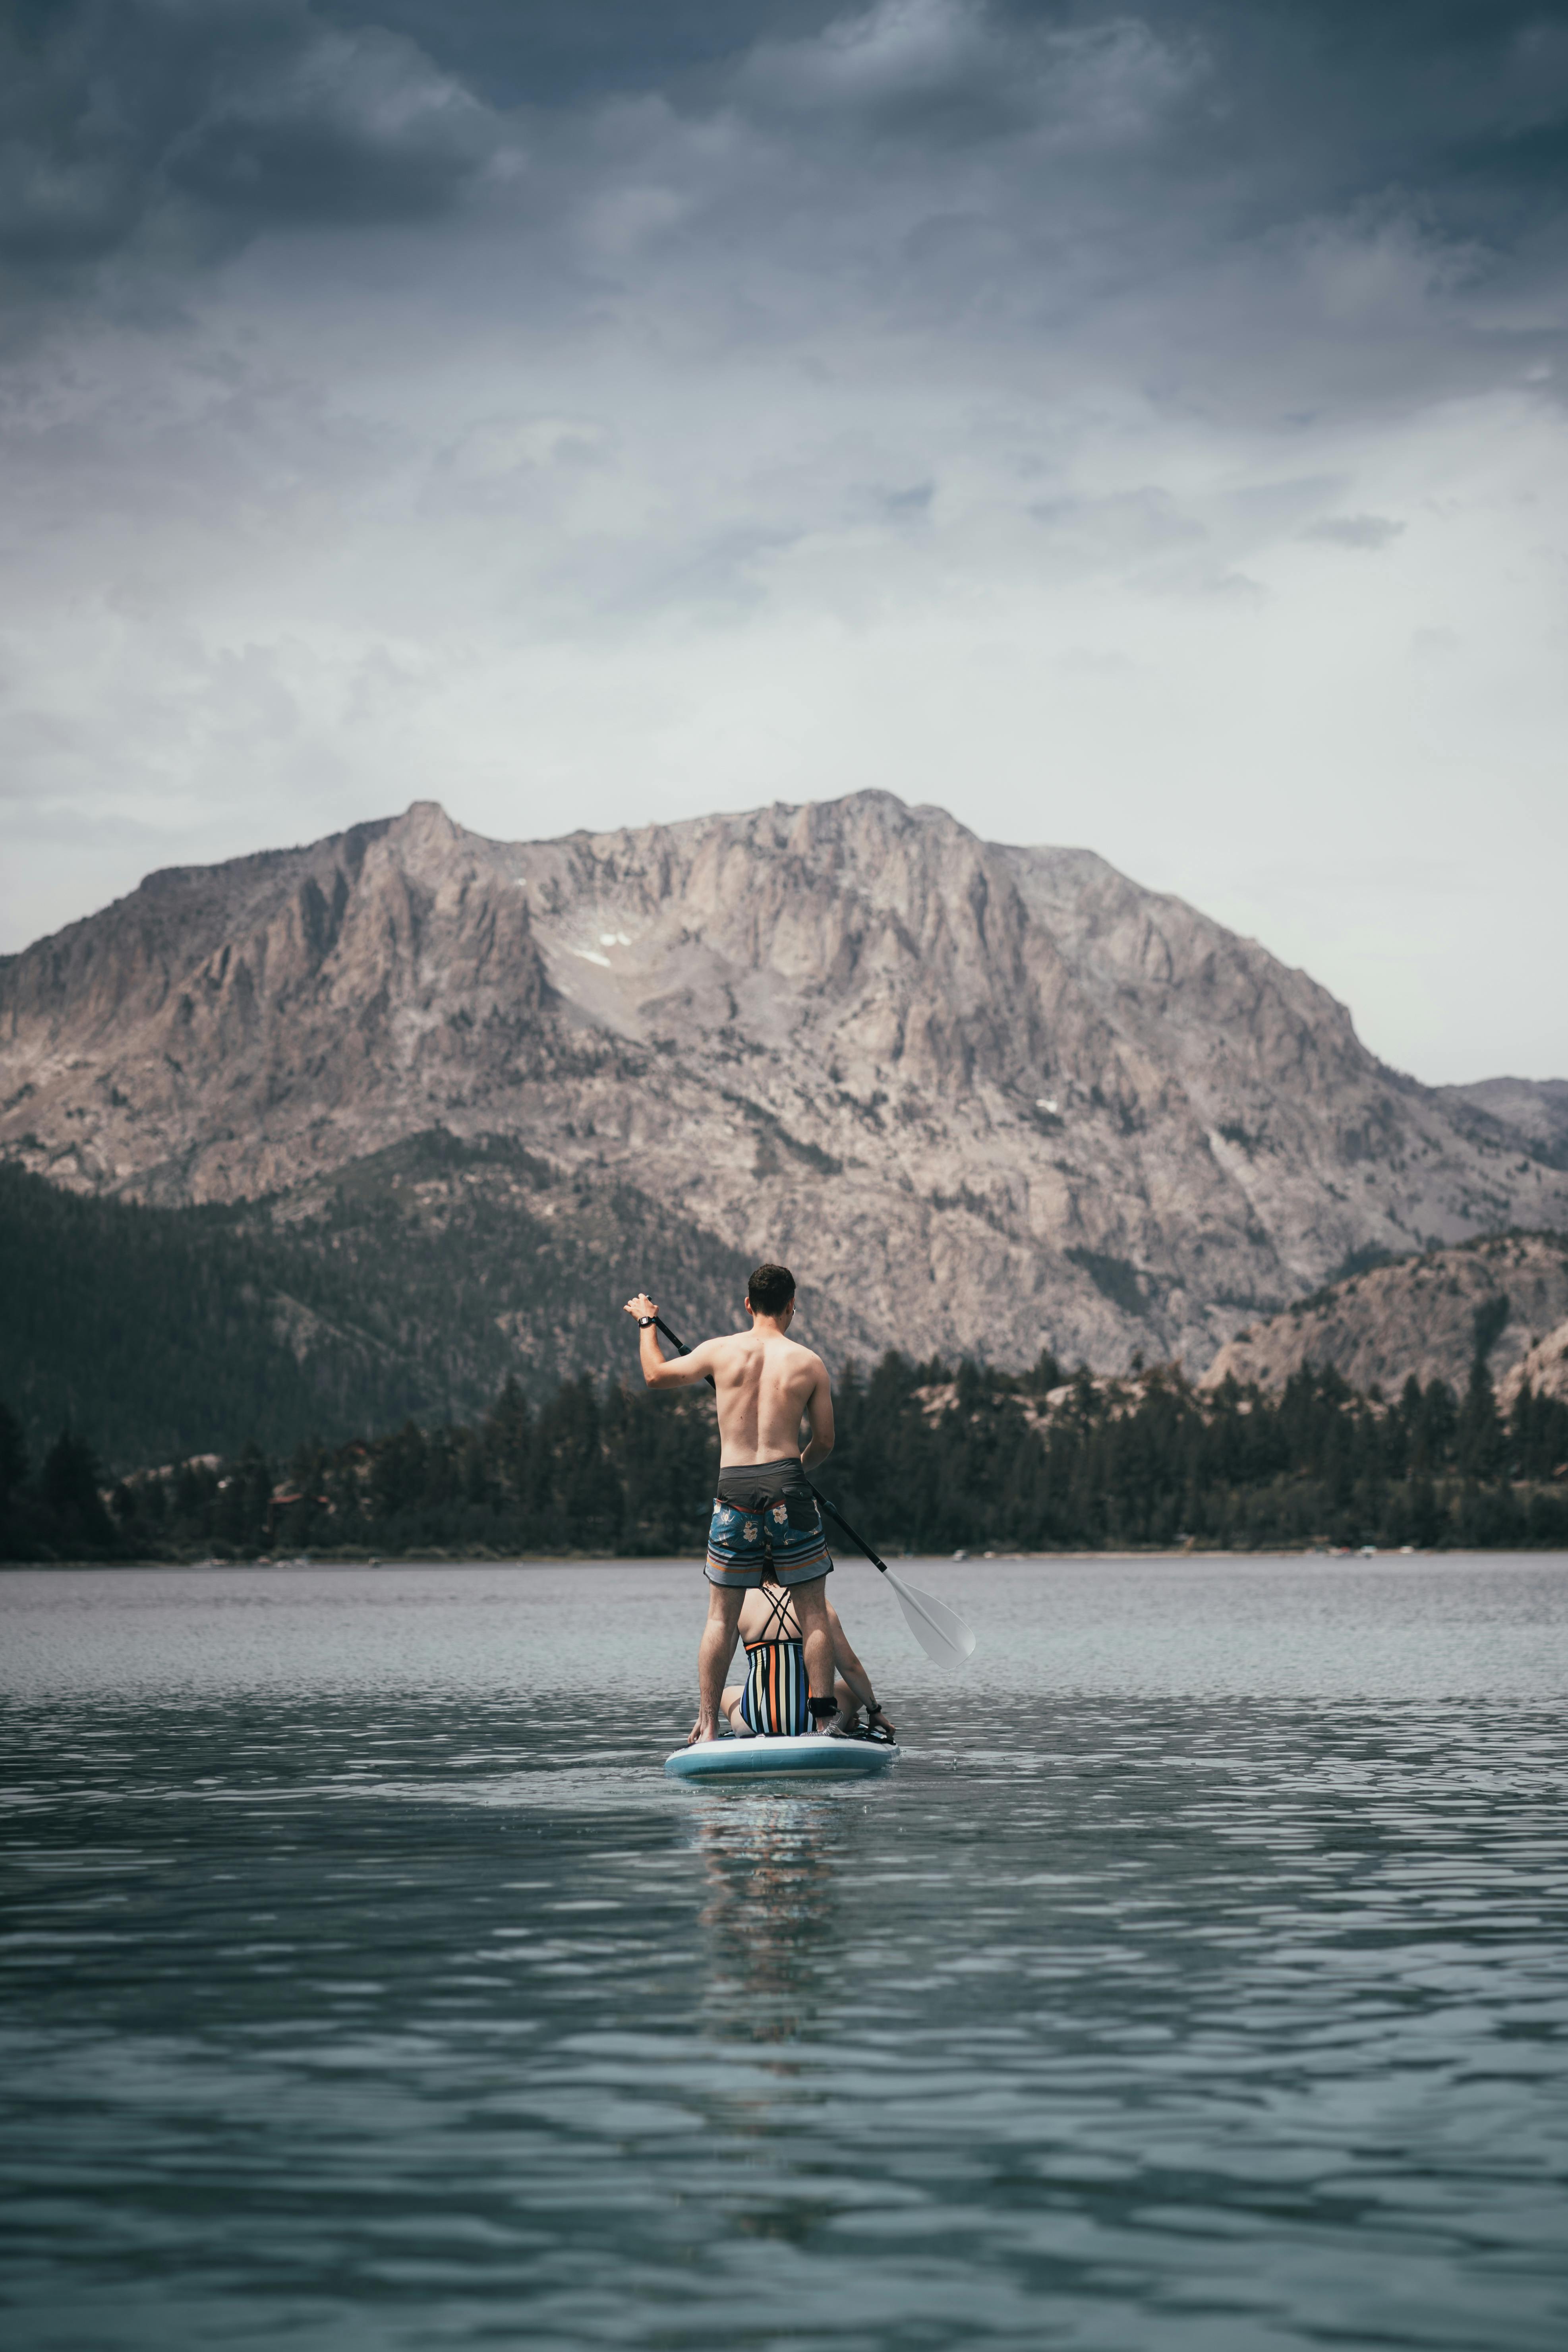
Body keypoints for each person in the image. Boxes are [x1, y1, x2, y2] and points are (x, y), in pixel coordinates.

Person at [624, 1262, 844, 1745]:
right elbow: (825, 1440)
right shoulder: (808, 1362)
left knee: (721, 1616)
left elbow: (654, 1375)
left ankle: (706, 1724)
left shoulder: (719, 1351)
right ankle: (825, 1722)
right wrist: (797, 1475)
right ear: (792, 1305)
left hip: (735, 1488)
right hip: (789, 1484)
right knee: (813, 1613)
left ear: (748, 1304)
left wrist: (646, 1323)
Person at [720, 1576, 896, 1742]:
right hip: (817, 1720)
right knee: (850, 1687)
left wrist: (705, 1717)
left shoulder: (741, 1605)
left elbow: (720, 1665)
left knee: (728, 1693)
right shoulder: (817, 1605)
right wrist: (875, 1710)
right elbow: (851, 1667)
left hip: (754, 1724)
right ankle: (844, 1718)